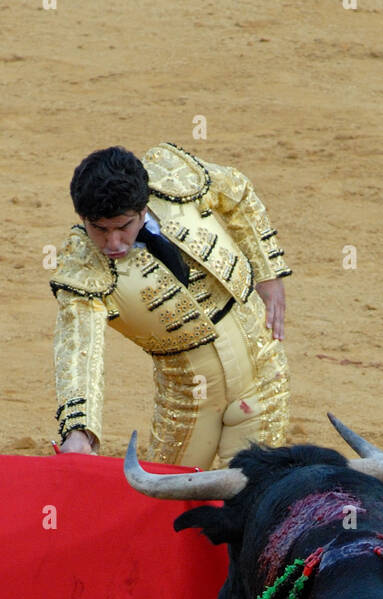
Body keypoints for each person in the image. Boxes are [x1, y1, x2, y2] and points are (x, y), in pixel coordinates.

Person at [50, 142, 292, 470]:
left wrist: (268, 271)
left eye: (123, 227)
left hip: (262, 371)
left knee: (257, 499)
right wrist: (79, 430)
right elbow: (78, 348)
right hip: (191, 404)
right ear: (83, 218)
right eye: (100, 230)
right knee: (168, 511)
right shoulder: (81, 268)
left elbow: (237, 193)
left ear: (144, 208)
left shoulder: (177, 176)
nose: (113, 243)